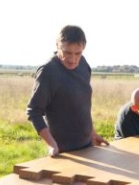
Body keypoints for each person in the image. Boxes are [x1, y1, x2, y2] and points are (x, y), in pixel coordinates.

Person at [26, 25, 108, 157]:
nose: (72, 59)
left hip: (88, 145)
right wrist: (51, 144)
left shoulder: (83, 64)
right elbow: (34, 111)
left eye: (78, 53)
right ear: (57, 45)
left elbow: (82, 104)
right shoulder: (48, 72)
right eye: (67, 53)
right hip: (62, 151)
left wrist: (92, 133)